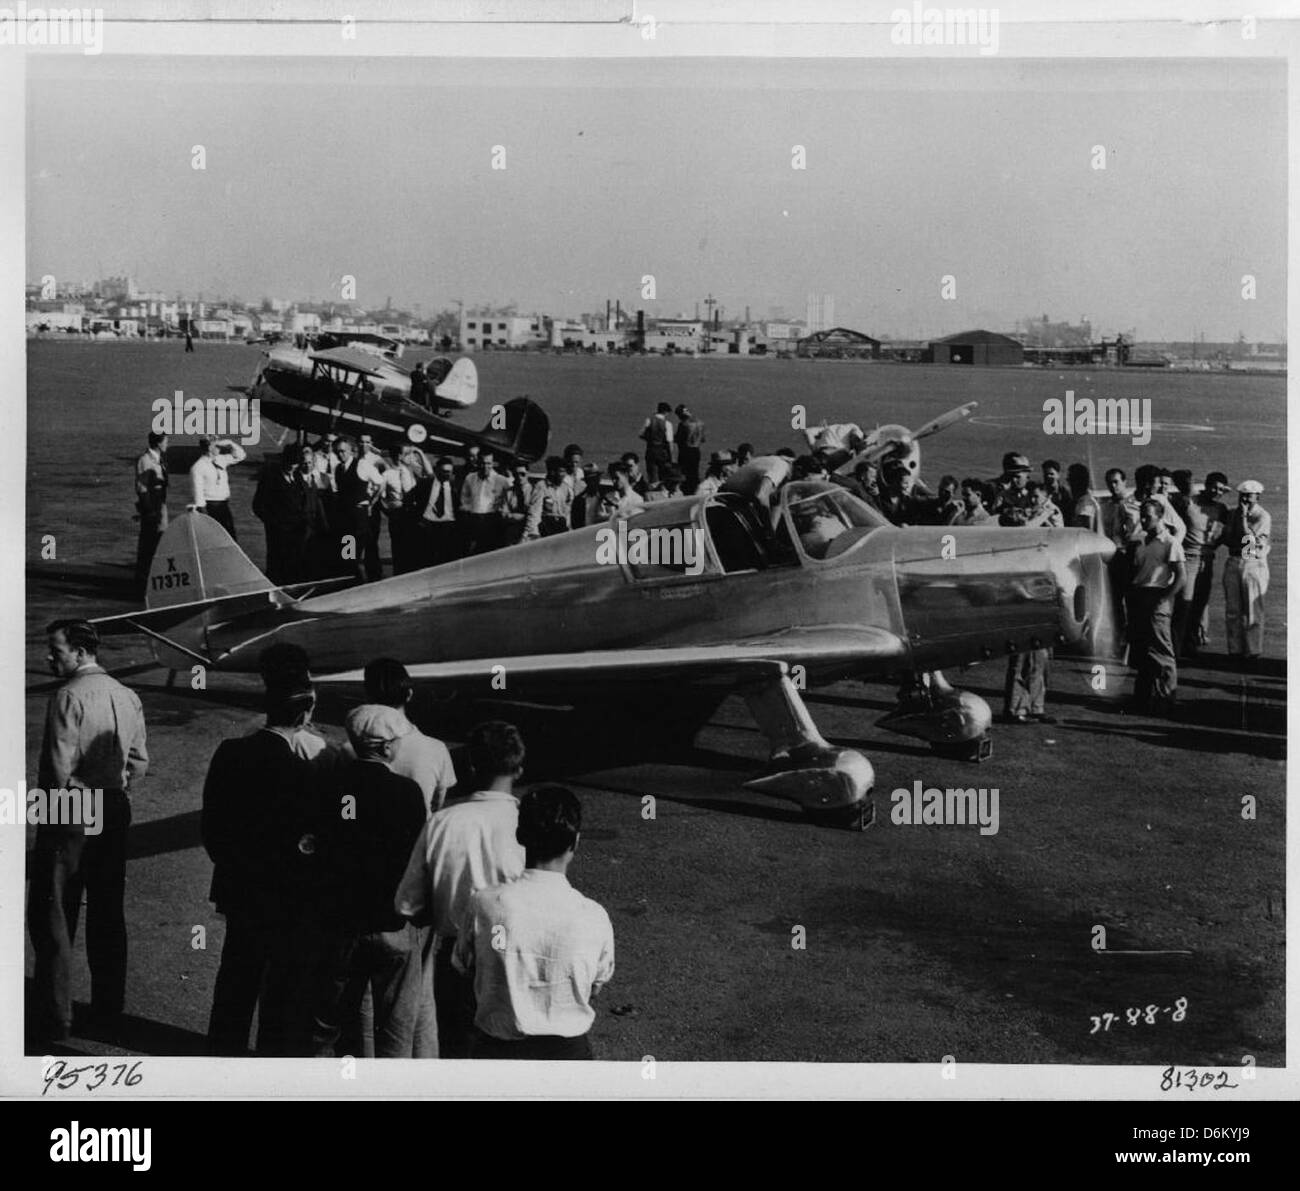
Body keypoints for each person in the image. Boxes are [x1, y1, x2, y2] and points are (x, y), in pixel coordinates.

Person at [28, 619, 148, 1046]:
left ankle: (55, 1016)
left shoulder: (68, 696)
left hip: (73, 809)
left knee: (55, 914)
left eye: (55, 650)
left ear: (79, 652)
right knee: (107, 912)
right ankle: (108, 1012)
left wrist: (51, 827)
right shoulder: (127, 694)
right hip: (115, 806)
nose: (49, 657)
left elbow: (58, 769)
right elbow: (138, 760)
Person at [202, 651, 326, 1056]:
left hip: (240, 888)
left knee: (236, 976)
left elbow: (212, 831)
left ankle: (223, 1054)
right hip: (286, 895)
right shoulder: (305, 772)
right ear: (305, 714)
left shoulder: (230, 753)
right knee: (280, 988)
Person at [394, 721, 527, 1058]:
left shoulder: (442, 822)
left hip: (456, 961)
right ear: (520, 769)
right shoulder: (531, 822)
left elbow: (408, 904)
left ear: (469, 766)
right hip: (519, 953)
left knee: (459, 1049)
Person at [454, 785, 614, 1060]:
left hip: (498, 1050)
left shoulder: (484, 904)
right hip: (568, 1053)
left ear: (520, 835)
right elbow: (595, 987)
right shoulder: (594, 915)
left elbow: (465, 967)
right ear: (575, 842)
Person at [310, 706, 427, 1059]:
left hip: (341, 924)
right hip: (392, 922)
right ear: (388, 747)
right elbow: (416, 857)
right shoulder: (407, 793)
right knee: (394, 1027)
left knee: (327, 1023)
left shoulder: (333, 786)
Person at [1127, 499, 1187, 714]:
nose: (1143, 521)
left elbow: (1181, 577)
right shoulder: (1142, 541)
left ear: (1160, 517)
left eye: (1148, 517)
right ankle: (1142, 699)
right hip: (1139, 597)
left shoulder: (1170, 543)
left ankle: (1166, 700)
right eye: (1141, 516)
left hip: (1156, 597)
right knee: (1142, 651)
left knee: (1161, 652)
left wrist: (1164, 599)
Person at [1170, 469, 1227, 660]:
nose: (1216, 492)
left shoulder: (1221, 509)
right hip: (1188, 559)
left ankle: (1190, 644)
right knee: (1184, 603)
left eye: (1221, 489)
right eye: (1214, 487)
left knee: (1199, 604)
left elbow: (1229, 533)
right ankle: (1175, 647)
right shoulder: (1189, 503)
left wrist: (1212, 546)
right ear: (1207, 486)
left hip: (1207, 560)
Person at [1222, 480, 1271, 664]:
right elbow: (1228, 538)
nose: (1244, 500)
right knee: (1233, 609)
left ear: (1257, 496)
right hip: (1234, 560)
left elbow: (1247, 543)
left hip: (1253, 562)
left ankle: (1253, 650)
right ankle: (1234, 650)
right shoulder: (1233, 514)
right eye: (1242, 495)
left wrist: (1242, 519)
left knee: (1252, 610)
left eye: (1248, 496)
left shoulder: (1262, 516)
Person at [190, 435, 247, 539]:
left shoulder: (220, 460)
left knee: (230, 538)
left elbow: (241, 456)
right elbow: (198, 495)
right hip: (210, 508)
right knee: (213, 539)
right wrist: (205, 517)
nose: (220, 447)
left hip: (223, 506)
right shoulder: (198, 467)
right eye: (216, 445)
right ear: (209, 447)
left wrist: (230, 443)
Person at [410, 455, 462, 568]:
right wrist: (417, 519)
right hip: (429, 525)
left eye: (450, 472)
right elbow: (409, 499)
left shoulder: (456, 486)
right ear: (436, 470)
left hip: (449, 526)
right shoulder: (425, 484)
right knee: (428, 560)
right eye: (444, 471)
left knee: (447, 560)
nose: (447, 474)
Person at [134, 430, 169, 593]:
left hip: (160, 502)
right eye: (165, 441)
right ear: (158, 443)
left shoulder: (157, 459)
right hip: (152, 504)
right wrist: (149, 510)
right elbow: (142, 488)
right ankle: (143, 579)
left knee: (159, 539)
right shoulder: (145, 460)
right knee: (148, 541)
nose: (167, 444)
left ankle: (151, 575)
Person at [459, 448, 509, 554]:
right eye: (482, 463)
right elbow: (464, 499)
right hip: (473, 520)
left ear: (493, 463)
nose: (486, 467)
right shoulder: (470, 478)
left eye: (489, 463)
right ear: (477, 463)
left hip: (492, 521)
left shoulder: (501, 480)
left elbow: (508, 501)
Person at [497, 460, 543, 547]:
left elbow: (533, 517)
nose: (519, 477)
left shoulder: (535, 491)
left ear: (528, 473)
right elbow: (504, 515)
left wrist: (523, 538)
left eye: (522, 474)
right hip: (512, 536)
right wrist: (523, 516)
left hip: (530, 536)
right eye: (516, 474)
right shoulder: (508, 492)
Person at [531, 456, 575, 537]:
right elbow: (535, 511)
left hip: (561, 527)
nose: (564, 475)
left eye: (564, 472)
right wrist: (534, 532)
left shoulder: (566, 488)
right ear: (552, 472)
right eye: (561, 471)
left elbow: (567, 512)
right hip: (547, 527)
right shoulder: (541, 487)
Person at [992, 452, 1034, 526]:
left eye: (1018, 477)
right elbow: (995, 515)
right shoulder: (1002, 495)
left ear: (1027, 478)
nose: (1014, 480)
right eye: (1012, 477)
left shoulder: (1033, 494)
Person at [640, 402, 676, 484]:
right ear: (666, 412)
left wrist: (650, 439)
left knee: (652, 474)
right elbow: (670, 442)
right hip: (662, 451)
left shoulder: (649, 420)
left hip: (651, 449)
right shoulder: (667, 424)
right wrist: (671, 457)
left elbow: (641, 434)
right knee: (663, 474)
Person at [675, 404, 705, 494]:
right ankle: (694, 489)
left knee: (685, 473)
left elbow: (679, 439)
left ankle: (687, 491)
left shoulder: (683, 424)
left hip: (686, 451)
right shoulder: (700, 423)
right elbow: (703, 439)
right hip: (696, 450)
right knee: (694, 472)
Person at [1066, 463, 1100, 533]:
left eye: (1070, 479)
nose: (1069, 483)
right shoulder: (1078, 502)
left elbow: (1085, 531)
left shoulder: (1086, 503)